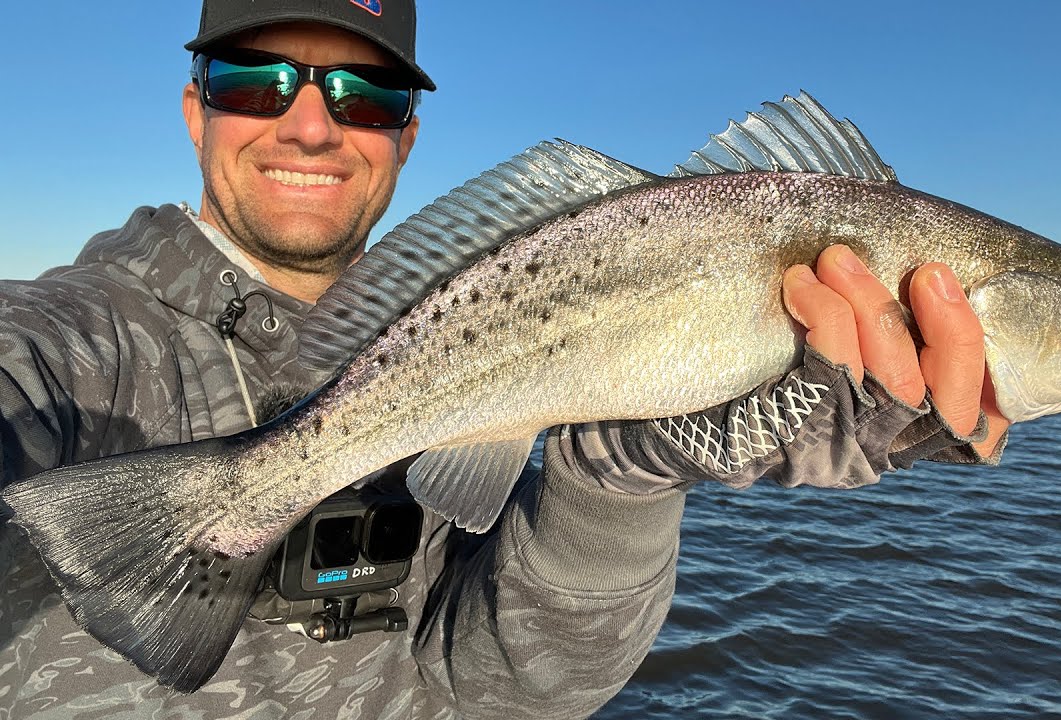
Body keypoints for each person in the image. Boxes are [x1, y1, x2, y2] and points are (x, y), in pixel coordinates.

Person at [0, 1, 1008, 717]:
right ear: (195, 110)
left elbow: (507, 694)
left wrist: (617, 482)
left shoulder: (469, 324)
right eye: (254, 81)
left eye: (366, 94)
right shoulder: (52, 346)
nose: (310, 126)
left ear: (406, 134)